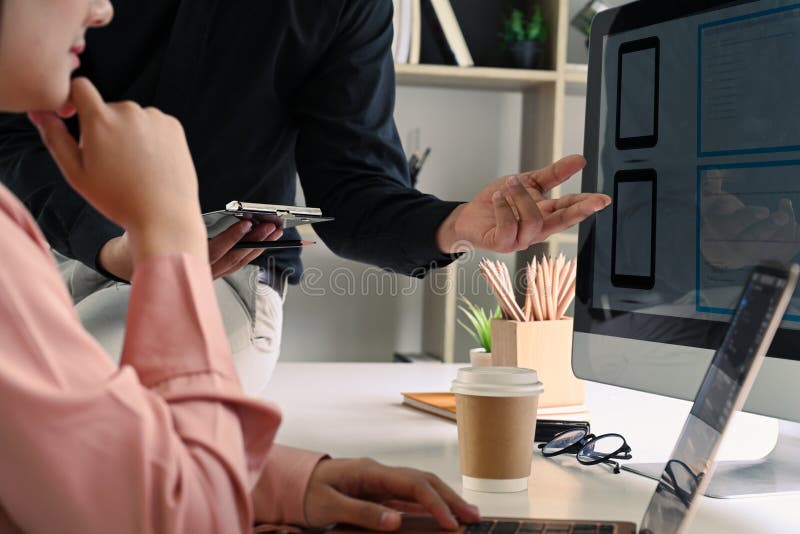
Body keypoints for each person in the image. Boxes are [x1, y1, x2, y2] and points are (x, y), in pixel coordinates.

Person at [0, 0, 482, 531]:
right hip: (57, 249)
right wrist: (163, 233)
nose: (100, 11)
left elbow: (83, 446)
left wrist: (455, 224)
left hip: (217, 268)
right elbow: (162, 510)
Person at [0, 1, 611, 395]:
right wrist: (114, 246)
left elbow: (351, 188)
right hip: (30, 243)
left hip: (219, 263)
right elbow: (10, 128)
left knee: (94, 406)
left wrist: (454, 223)